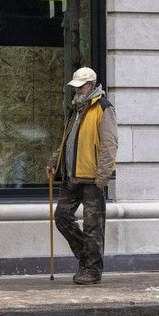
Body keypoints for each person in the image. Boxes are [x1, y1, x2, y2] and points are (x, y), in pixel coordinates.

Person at [46, 66, 118, 285]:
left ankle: (93, 270)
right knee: (62, 217)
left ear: (91, 85)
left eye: (80, 86)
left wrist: (102, 177)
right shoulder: (76, 109)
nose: (76, 90)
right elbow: (67, 141)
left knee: (92, 225)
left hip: (92, 177)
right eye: (75, 86)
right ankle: (86, 257)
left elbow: (110, 144)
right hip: (71, 176)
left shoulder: (103, 108)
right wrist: (54, 161)